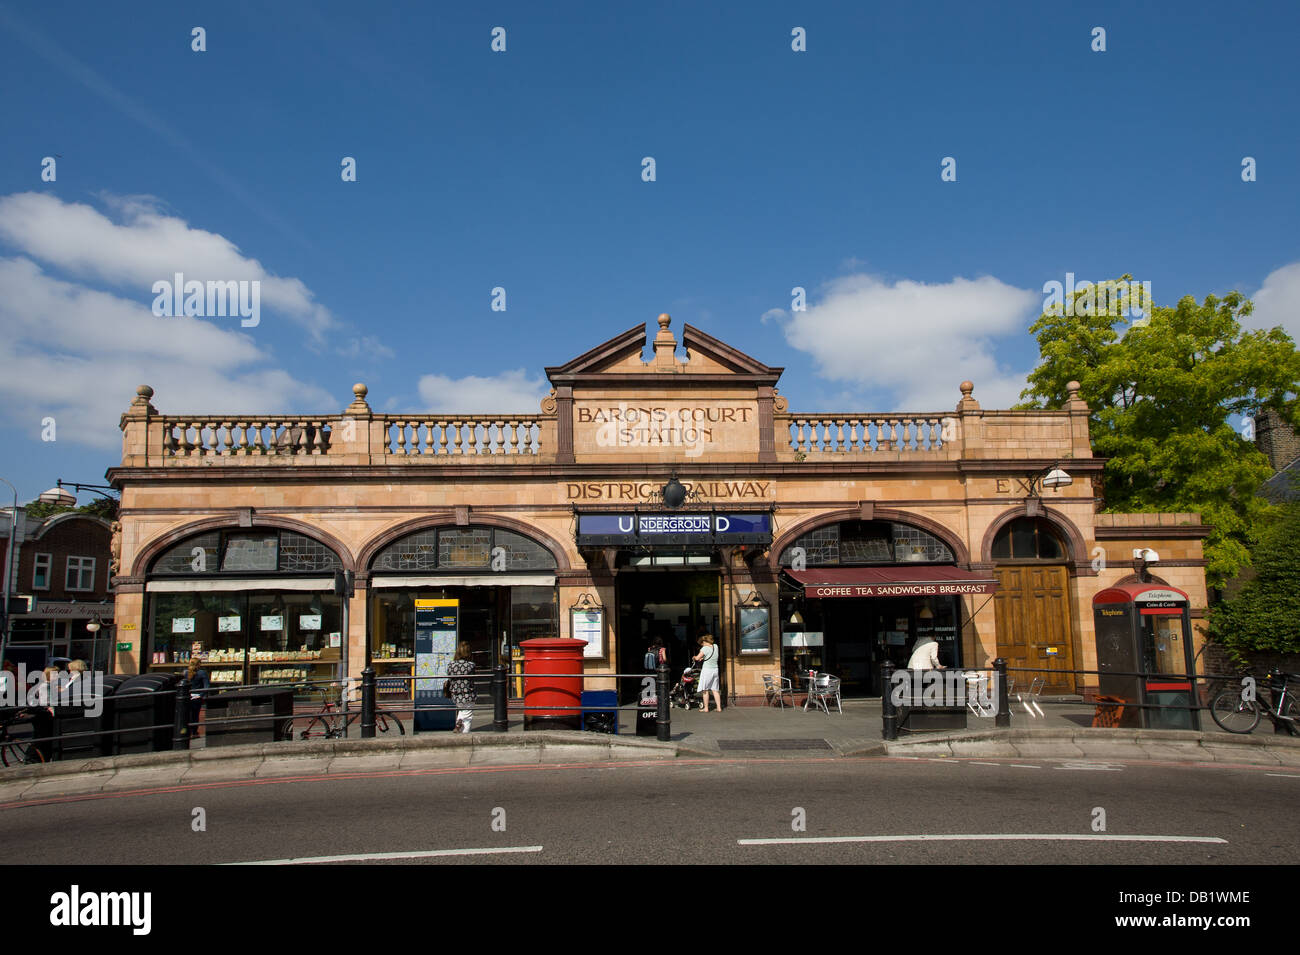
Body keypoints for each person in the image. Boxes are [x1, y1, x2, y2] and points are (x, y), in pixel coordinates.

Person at [446, 641, 477, 733]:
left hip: (456, 695)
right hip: (468, 694)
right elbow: (473, 679)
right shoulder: (471, 665)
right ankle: (464, 735)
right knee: (468, 717)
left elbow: (450, 678)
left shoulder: (451, 665)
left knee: (462, 711)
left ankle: (458, 723)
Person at [692, 634, 722, 712]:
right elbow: (711, 656)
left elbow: (697, 658)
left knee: (705, 690)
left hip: (707, 670)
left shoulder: (704, 648)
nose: (702, 645)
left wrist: (695, 657)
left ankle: (706, 708)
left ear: (705, 641)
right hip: (715, 670)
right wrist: (703, 658)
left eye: (702, 643)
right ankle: (719, 707)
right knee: (715, 690)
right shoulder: (715, 646)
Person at [186, 657, 210, 739]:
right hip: (197, 696)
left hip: (188, 696)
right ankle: (194, 732)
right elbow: (206, 686)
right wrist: (201, 695)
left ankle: (188, 732)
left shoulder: (186, 673)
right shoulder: (202, 673)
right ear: (198, 664)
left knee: (188, 715)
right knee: (195, 715)